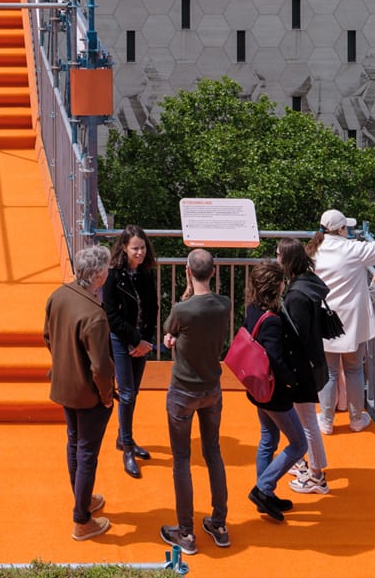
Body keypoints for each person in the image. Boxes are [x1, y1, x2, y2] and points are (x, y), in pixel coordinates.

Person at [313, 209, 375, 435]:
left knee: (328, 372)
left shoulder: (314, 251)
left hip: (324, 318)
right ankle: (356, 419)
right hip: (351, 322)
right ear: (341, 229)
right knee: (354, 369)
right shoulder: (352, 249)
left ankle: (326, 421)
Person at [160, 248, 234, 554]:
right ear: (214, 272)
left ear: (188, 272)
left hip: (183, 391)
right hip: (212, 389)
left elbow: (169, 332)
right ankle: (219, 524)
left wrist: (173, 338)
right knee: (213, 453)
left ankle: (187, 533)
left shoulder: (182, 309)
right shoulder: (224, 305)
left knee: (181, 460)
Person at [44, 241, 119, 540]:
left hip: (63, 385)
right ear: (99, 276)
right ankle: (82, 519)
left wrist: (64, 364)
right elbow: (101, 367)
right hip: (88, 394)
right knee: (87, 452)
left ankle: (82, 499)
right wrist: (105, 397)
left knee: (74, 443)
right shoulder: (95, 315)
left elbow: (48, 336)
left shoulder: (58, 295)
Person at [240, 263, 307, 522]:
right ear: (275, 286)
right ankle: (263, 488)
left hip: (258, 389)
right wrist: (292, 382)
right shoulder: (272, 322)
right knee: (299, 443)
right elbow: (277, 362)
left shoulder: (253, 310)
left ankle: (265, 496)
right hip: (275, 395)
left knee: (268, 438)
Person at [275, 237, 334, 495]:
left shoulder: (297, 295)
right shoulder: (308, 283)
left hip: (302, 367)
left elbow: (296, 335)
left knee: (307, 421)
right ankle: (303, 461)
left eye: (278, 255)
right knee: (303, 418)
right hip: (312, 362)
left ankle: (317, 475)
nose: (276, 258)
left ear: (287, 259)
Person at [102, 225, 158, 478]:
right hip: (121, 339)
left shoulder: (145, 273)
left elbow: (153, 307)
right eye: (135, 248)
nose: (140, 252)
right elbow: (112, 315)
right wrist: (135, 341)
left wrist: (146, 340)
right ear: (124, 248)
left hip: (140, 341)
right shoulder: (113, 275)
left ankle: (123, 437)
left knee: (133, 392)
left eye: (143, 247)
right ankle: (127, 447)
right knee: (126, 394)